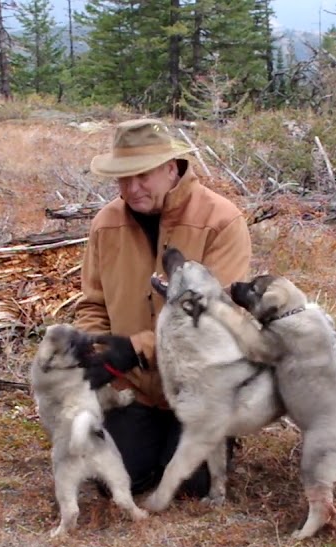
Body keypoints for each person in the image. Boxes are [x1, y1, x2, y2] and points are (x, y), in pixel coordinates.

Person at [75, 117, 253, 498]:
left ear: (171, 169)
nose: (131, 188)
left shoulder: (221, 221)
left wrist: (135, 349)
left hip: (198, 386)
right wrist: (98, 348)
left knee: (193, 484)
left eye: (142, 176)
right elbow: (93, 302)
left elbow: (213, 319)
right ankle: (141, 430)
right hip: (135, 386)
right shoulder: (106, 224)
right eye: (123, 178)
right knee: (114, 479)